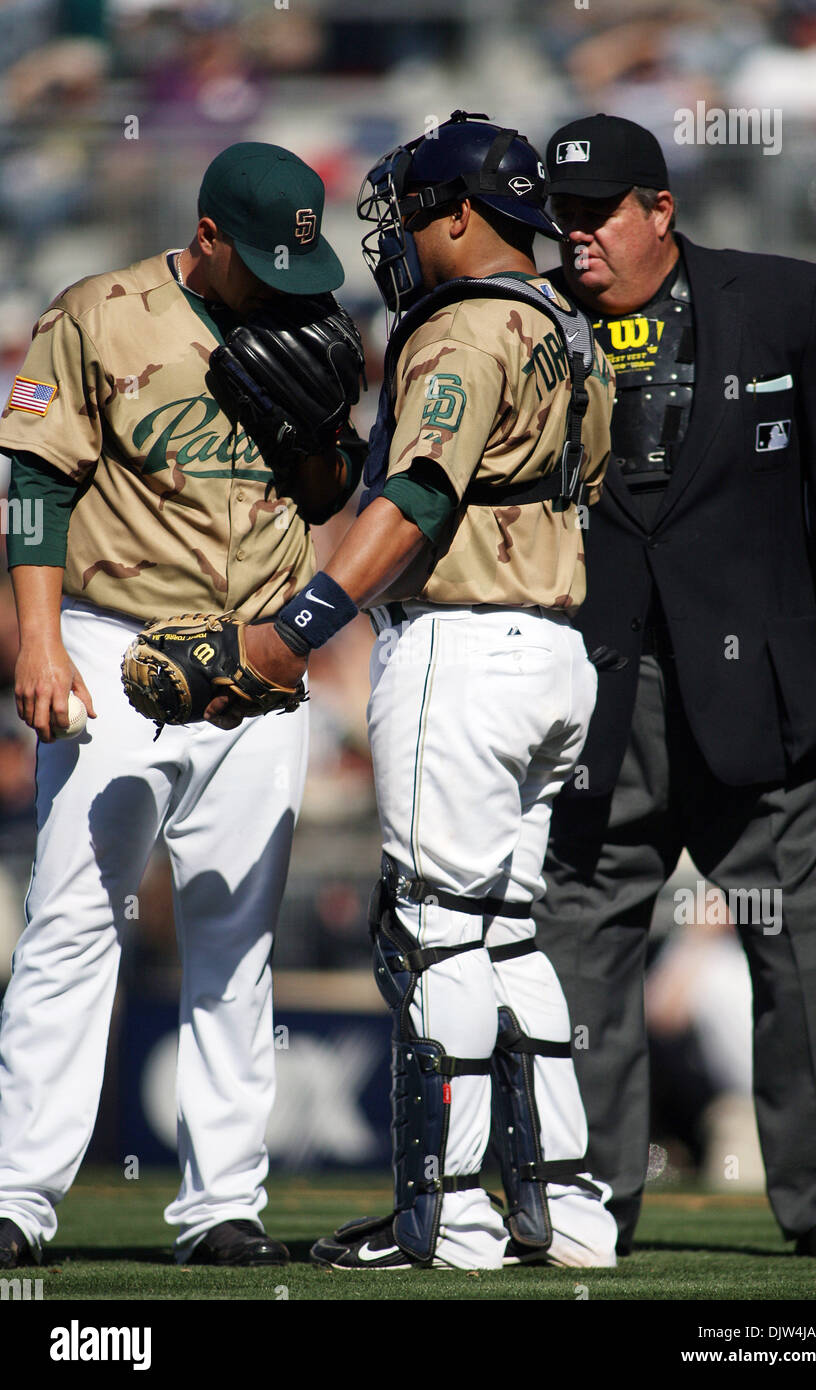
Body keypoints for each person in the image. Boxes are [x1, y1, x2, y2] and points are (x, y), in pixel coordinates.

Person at [205, 111, 619, 1270]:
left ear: (463, 212)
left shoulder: (461, 327)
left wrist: (294, 630)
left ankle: (452, 1219)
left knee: (432, 937)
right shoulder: (563, 325)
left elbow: (421, 497)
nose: (401, 230)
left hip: (465, 645)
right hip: (552, 653)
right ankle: (571, 1211)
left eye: (415, 207)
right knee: (507, 936)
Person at [0, 141, 357, 1268]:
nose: (282, 282)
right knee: (72, 925)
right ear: (206, 235)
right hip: (118, 643)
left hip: (255, 656)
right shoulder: (99, 313)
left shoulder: (303, 314)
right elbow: (32, 482)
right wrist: (40, 639)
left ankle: (220, 1206)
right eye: (258, 259)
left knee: (233, 936)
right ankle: (17, 1194)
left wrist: (321, 444)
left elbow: (329, 491)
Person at [533, 112, 816, 1259]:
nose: (572, 238)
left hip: (763, 683)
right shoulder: (527, 324)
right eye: (558, 218)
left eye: (594, 215)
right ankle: (582, 1200)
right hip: (595, 688)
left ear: (659, 210)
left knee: (801, 939)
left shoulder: (781, 298)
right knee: (581, 937)